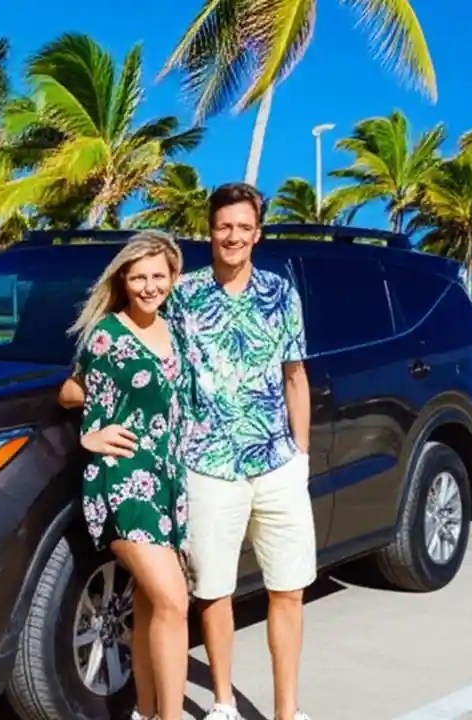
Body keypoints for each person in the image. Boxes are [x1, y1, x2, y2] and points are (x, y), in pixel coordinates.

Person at [165, 182, 316, 720]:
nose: (233, 236)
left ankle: (287, 711)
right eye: (223, 226)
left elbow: (295, 377)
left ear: (258, 233)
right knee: (214, 591)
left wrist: (300, 457)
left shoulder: (281, 292)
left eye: (243, 227)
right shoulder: (182, 295)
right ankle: (224, 703)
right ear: (211, 231)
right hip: (208, 465)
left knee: (289, 589)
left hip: (277, 463)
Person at [57, 230, 192, 720]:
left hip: (166, 483)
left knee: (154, 603)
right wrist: (89, 438)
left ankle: (148, 712)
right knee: (173, 601)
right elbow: (69, 390)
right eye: (139, 277)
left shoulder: (175, 330)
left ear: (172, 279)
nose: (149, 286)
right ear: (123, 280)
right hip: (123, 480)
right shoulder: (107, 335)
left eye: (158, 276)